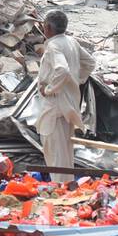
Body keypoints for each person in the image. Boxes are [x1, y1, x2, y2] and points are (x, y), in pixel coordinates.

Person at [37, 9, 95, 183]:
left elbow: (61, 69)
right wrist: (75, 82)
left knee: (55, 152)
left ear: (47, 27)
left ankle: (60, 189)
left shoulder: (54, 46)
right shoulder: (71, 41)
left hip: (55, 105)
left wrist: (50, 89)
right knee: (65, 152)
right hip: (69, 103)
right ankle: (66, 187)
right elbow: (90, 63)